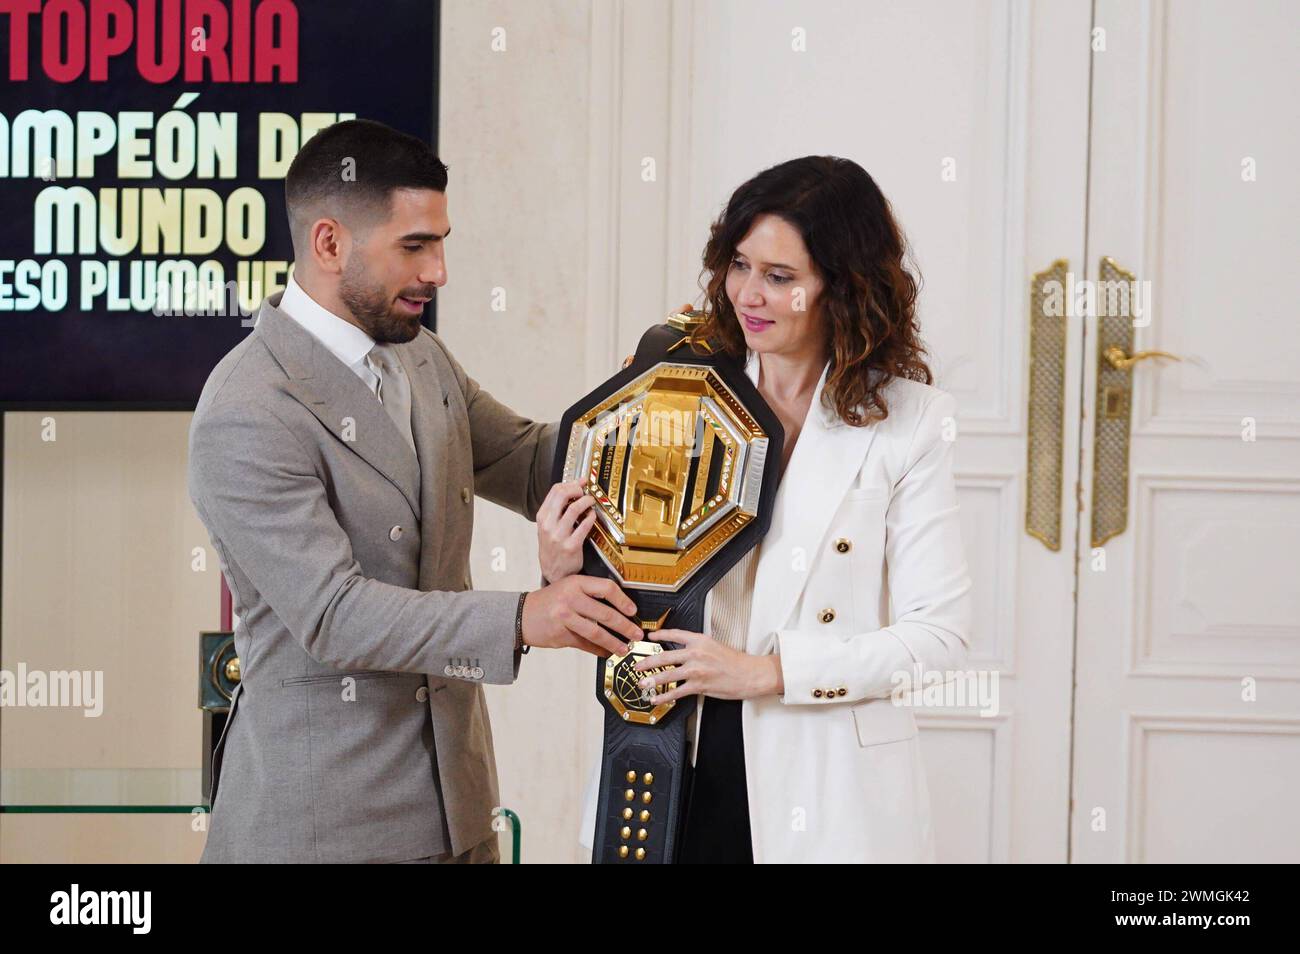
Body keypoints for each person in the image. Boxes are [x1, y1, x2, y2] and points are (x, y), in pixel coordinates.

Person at [188, 119, 641, 863]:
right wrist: (528, 617)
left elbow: (530, 461)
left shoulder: (420, 357)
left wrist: (644, 408)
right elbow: (336, 616)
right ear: (329, 243)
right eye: (415, 246)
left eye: (441, 243)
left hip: (457, 812)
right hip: (323, 832)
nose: (439, 272)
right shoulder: (246, 409)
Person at [541, 155, 973, 863]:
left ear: (845, 286)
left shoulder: (912, 422)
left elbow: (940, 638)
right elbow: (629, 607)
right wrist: (568, 565)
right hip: (669, 752)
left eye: (780, 278)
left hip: (829, 777)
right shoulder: (674, 389)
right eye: (739, 266)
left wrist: (766, 674)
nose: (749, 294)